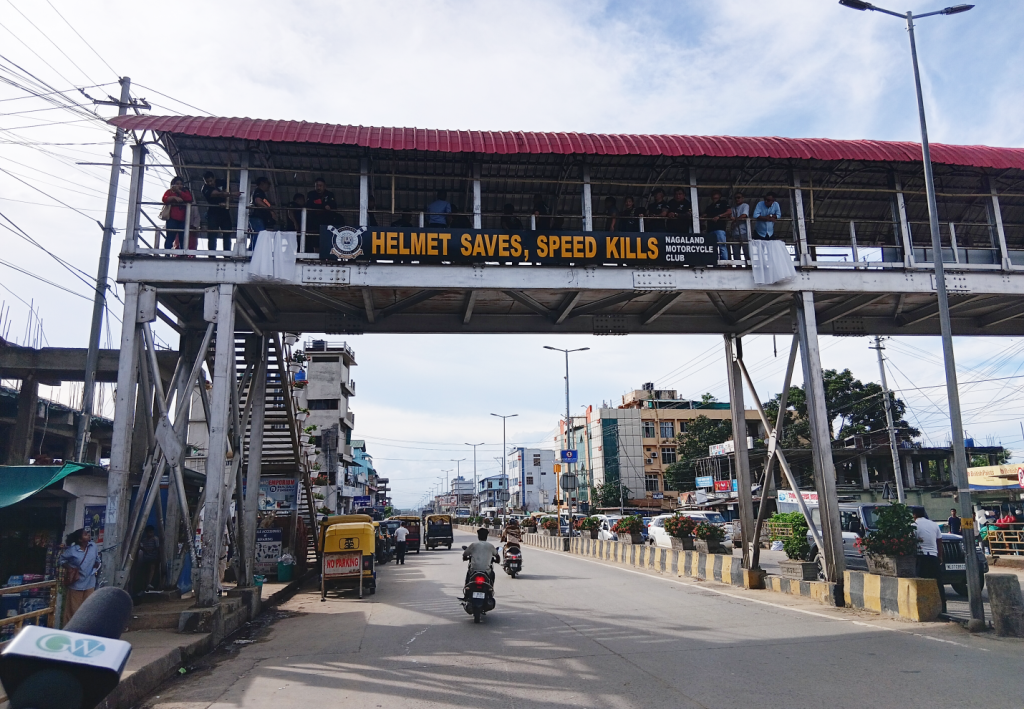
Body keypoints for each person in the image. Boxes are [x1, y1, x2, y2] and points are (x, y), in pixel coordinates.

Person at [60, 528, 99, 624]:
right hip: (76, 583)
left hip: (90, 582)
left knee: (88, 608)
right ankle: (70, 628)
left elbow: (97, 559)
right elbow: (61, 560)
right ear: (80, 540)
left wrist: (97, 565)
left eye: (88, 534)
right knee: (73, 610)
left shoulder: (93, 546)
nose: (88, 535)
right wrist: (69, 568)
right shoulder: (72, 551)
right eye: (85, 534)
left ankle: (85, 628)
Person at [913, 508, 945, 613]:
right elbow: (939, 540)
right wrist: (940, 556)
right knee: (938, 583)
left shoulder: (914, 525)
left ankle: (925, 608)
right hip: (933, 557)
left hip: (921, 557)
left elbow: (912, 541)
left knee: (921, 583)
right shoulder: (933, 524)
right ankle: (943, 608)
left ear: (914, 515)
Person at [201, 172, 238, 252]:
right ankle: (211, 254)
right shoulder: (205, 189)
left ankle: (227, 254)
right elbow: (216, 194)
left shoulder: (222, 182)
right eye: (207, 182)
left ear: (214, 178)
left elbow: (230, 198)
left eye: (211, 181)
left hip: (225, 212)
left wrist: (227, 201)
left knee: (227, 233)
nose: (210, 183)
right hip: (213, 212)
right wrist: (230, 194)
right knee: (212, 234)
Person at [306, 178, 340, 252]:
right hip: (314, 222)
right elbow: (310, 205)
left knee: (327, 238)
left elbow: (334, 206)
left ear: (324, 186)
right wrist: (323, 206)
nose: (318, 187)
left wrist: (327, 207)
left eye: (320, 186)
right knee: (315, 240)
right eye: (317, 186)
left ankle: (327, 254)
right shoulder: (311, 194)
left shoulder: (330, 194)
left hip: (326, 221)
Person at [162, 177, 193, 250]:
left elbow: (189, 199)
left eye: (181, 184)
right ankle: (167, 252)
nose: (179, 186)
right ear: (173, 185)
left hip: (183, 218)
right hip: (172, 218)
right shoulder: (169, 192)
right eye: (177, 184)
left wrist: (179, 192)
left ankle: (183, 253)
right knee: (170, 236)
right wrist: (174, 197)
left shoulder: (185, 191)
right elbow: (164, 199)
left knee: (183, 237)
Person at [704, 190, 731, 260]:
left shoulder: (723, 203)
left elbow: (729, 212)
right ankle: (713, 262)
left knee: (722, 246)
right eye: (713, 194)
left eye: (716, 194)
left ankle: (724, 263)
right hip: (710, 230)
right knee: (712, 248)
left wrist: (719, 216)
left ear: (720, 195)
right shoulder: (709, 207)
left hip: (720, 228)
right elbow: (704, 215)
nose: (714, 195)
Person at [249, 177, 276, 245]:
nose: (269, 185)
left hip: (260, 219)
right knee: (258, 235)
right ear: (262, 183)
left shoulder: (261, 193)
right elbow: (258, 201)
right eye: (268, 183)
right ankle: (254, 251)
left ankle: (254, 251)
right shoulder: (258, 191)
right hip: (257, 218)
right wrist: (270, 210)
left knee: (259, 235)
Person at [138, 524, 160, 591]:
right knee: (145, 571)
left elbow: (158, 548)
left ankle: (149, 583)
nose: (150, 534)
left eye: (151, 532)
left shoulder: (155, 539)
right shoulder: (144, 540)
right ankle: (146, 584)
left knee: (151, 569)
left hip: (153, 558)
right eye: (149, 532)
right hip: (146, 558)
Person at [729, 191, 750, 260]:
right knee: (735, 252)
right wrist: (736, 220)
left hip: (743, 232)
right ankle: (738, 267)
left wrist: (735, 220)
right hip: (734, 233)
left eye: (738, 197)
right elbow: (731, 219)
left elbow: (744, 215)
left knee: (746, 250)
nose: (737, 199)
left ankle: (748, 265)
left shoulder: (745, 206)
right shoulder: (733, 208)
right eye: (735, 198)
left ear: (742, 198)